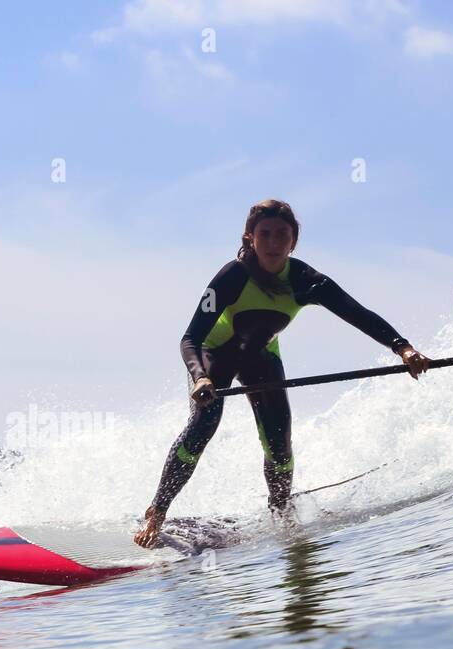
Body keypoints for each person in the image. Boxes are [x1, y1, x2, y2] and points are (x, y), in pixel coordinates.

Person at [133, 199, 430, 548]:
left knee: (279, 443)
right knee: (204, 423)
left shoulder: (307, 281)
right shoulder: (232, 277)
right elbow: (190, 337)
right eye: (265, 235)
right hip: (214, 356)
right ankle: (157, 511)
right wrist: (200, 377)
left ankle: (281, 511)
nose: (273, 243)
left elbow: (358, 313)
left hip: (261, 358)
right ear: (250, 239)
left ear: (294, 240)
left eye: (282, 235)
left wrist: (403, 348)